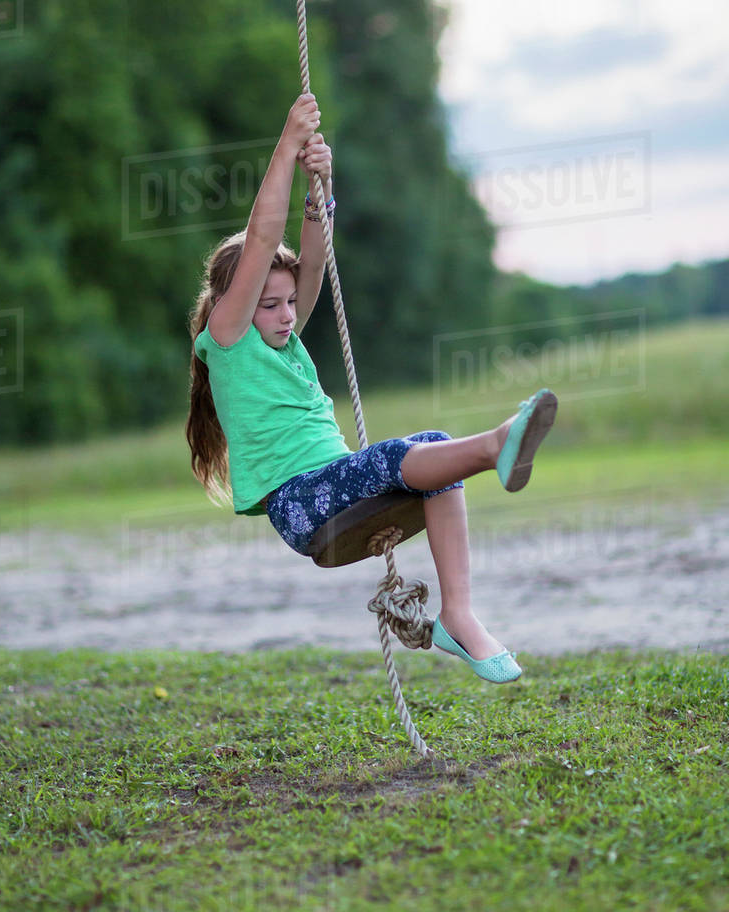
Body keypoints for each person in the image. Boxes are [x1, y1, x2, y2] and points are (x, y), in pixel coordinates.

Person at [186, 94, 558, 684]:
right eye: (269, 304)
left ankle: (459, 616)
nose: (286, 316)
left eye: (287, 305)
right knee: (394, 457)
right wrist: (285, 145)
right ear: (234, 305)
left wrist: (318, 193)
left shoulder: (283, 339)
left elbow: (311, 267)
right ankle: (498, 444)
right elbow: (259, 244)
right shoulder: (228, 340)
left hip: (338, 491)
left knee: (433, 449)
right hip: (301, 504)